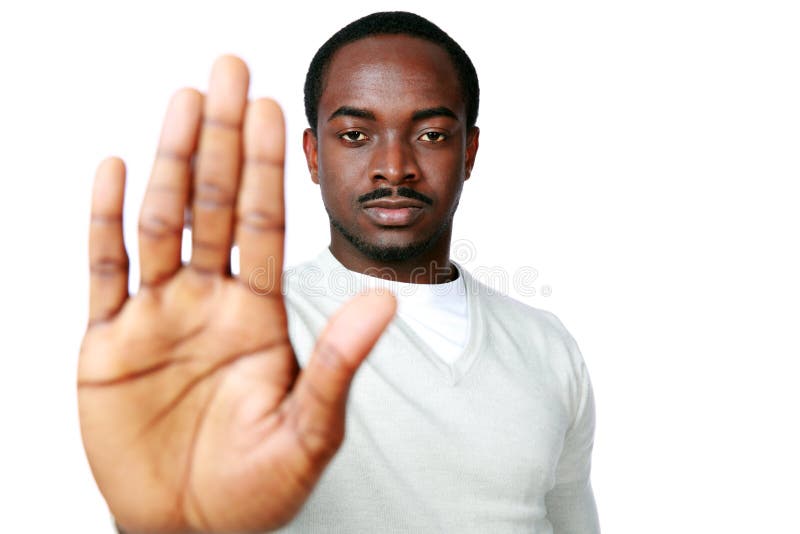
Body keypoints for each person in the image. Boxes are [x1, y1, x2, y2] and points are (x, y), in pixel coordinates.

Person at [79, 11, 600, 534]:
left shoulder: (546, 346)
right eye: (354, 134)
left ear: (469, 151)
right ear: (313, 155)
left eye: (432, 135)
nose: (394, 167)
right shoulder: (239, 340)